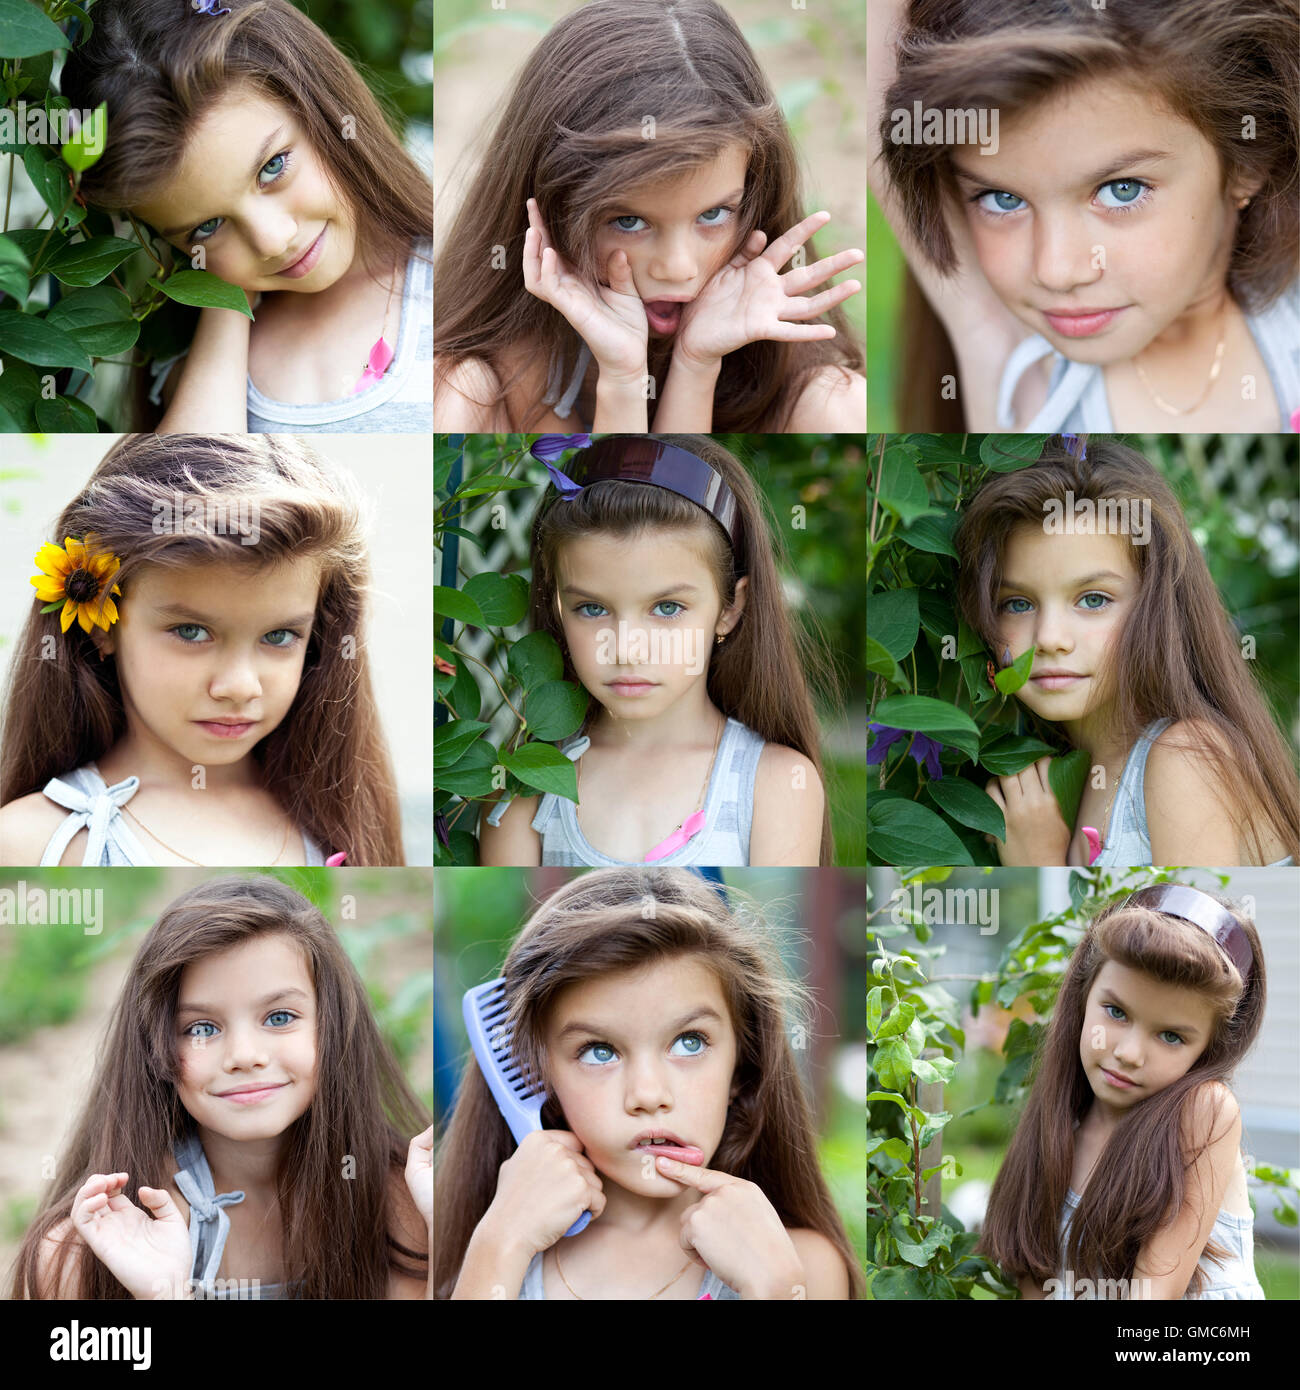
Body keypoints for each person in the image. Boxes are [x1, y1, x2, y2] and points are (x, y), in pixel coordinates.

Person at [435, 0, 865, 432]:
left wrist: (696, 364)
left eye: (713, 214)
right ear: (548, 208)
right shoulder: (475, 393)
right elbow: (615, 493)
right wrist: (623, 381)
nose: (677, 268)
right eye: (628, 222)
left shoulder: (824, 406)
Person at [870, 0, 1299, 432]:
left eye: (1121, 190)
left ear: (1247, 164)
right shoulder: (1018, 374)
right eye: (1001, 199)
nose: (1056, 272)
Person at [434, 867, 860, 1299]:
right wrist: (499, 1243)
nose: (649, 1096)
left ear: (742, 1067)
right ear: (538, 1078)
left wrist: (772, 1291)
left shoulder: (800, 1267)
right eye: (599, 1051)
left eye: (690, 1043)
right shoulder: (500, 1261)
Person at [10, 875, 431, 1299]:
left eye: (280, 1017)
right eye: (202, 1027)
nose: (245, 1055)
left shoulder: (402, 1207)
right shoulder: (85, 1251)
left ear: (333, 1026)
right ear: (155, 1047)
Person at [0, 434, 404, 866]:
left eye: (279, 637)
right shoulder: (34, 844)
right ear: (102, 622)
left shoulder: (343, 822)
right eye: (191, 631)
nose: (238, 687)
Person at [59, 0, 432, 433]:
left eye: (273, 166)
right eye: (207, 226)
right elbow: (193, 485)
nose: (273, 241)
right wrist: (227, 307)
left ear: (322, 106)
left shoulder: (461, 277)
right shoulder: (205, 372)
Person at [478, 434, 832, 866]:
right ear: (556, 607)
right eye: (591, 608)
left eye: (667, 608)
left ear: (730, 608)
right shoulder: (524, 790)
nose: (627, 649)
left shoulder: (776, 784)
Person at [951, 436, 1299, 867]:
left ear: (1157, 610)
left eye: (1093, 599)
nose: (1050, 638)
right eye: (1017, 604)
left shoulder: (1185, 758)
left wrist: (1041, 869)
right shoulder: (1053, 772)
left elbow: (1187, 937)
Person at [981, 884, 1267, 1300]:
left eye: (1170, 1036)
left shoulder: (1204, 1111)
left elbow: (1154, 1293)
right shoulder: (1059, 1130)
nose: (1130, 1054)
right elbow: (1033, 1280)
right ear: (1082, 997)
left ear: (1209, 1047)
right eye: (1116, 1012)